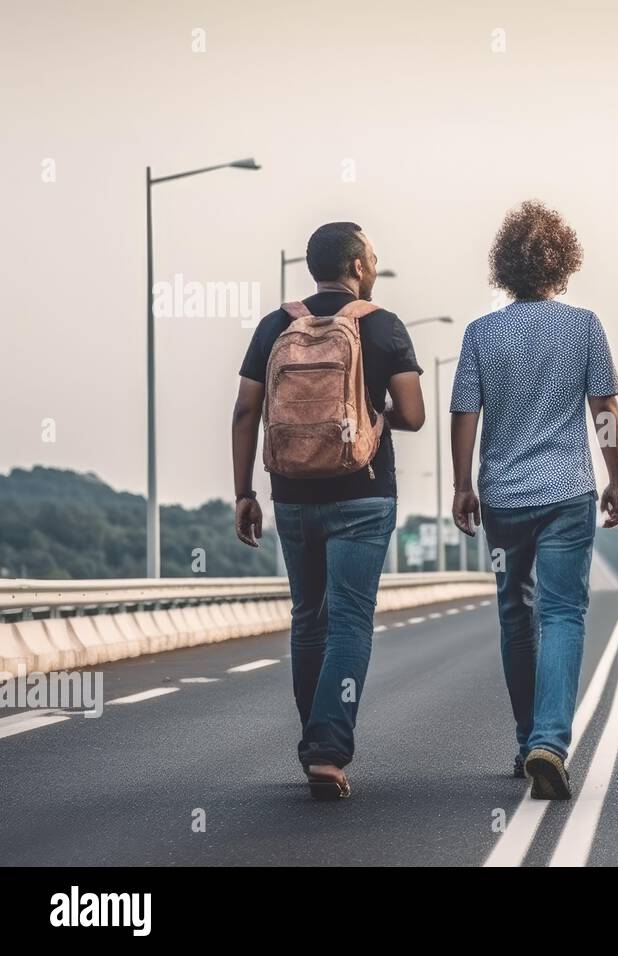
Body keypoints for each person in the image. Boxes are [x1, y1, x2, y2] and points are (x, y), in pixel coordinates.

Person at [232, 222, 425, 799]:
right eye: (373, 255)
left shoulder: (276, 324)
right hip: (363, 492)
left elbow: (245, 411)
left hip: (291, 495)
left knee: (308, 618)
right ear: (360, 267)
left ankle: (314, 743)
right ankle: (327, 750)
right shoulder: (382, 325)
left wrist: (244, 492)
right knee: (349, 620)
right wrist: (375, 407)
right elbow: (413, 415)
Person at [449, 201, 618, 800]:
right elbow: (604, 408)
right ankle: (550, 740)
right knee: (562, 613)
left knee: (515, 613)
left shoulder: (481, 334)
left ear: (506, 266)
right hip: (567, 493)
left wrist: (463, 485)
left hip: (504, 500)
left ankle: (529, 739)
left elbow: (464, 415)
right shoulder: (583, 327)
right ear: (563, 262)